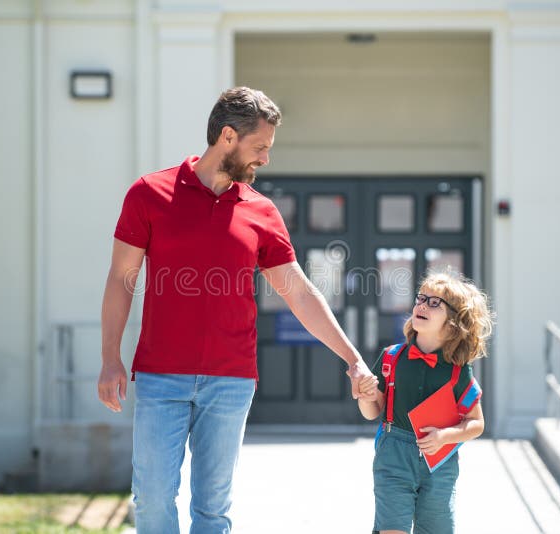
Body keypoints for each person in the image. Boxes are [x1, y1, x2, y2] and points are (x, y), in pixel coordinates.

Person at [97, 86, 375, 534]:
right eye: (260, 147)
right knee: (150, 500)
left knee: (212, 510)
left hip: (230, 381)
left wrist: (352, 356)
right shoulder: (149, 194)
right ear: (228, 136)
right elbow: (120, 278)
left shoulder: (261, 212)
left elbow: (299, 292)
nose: (265, 159)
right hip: (160, 376)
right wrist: (111, 357)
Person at [357, 271, 494, 534]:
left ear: (453, 321)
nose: (422, 305)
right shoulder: (392, 358)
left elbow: (477, 423)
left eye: (434, 303)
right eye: (421, 298)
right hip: (393, 455)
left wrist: (445, 436)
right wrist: (367, 396)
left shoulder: (458, 371)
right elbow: (371, 412)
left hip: (439, 465)